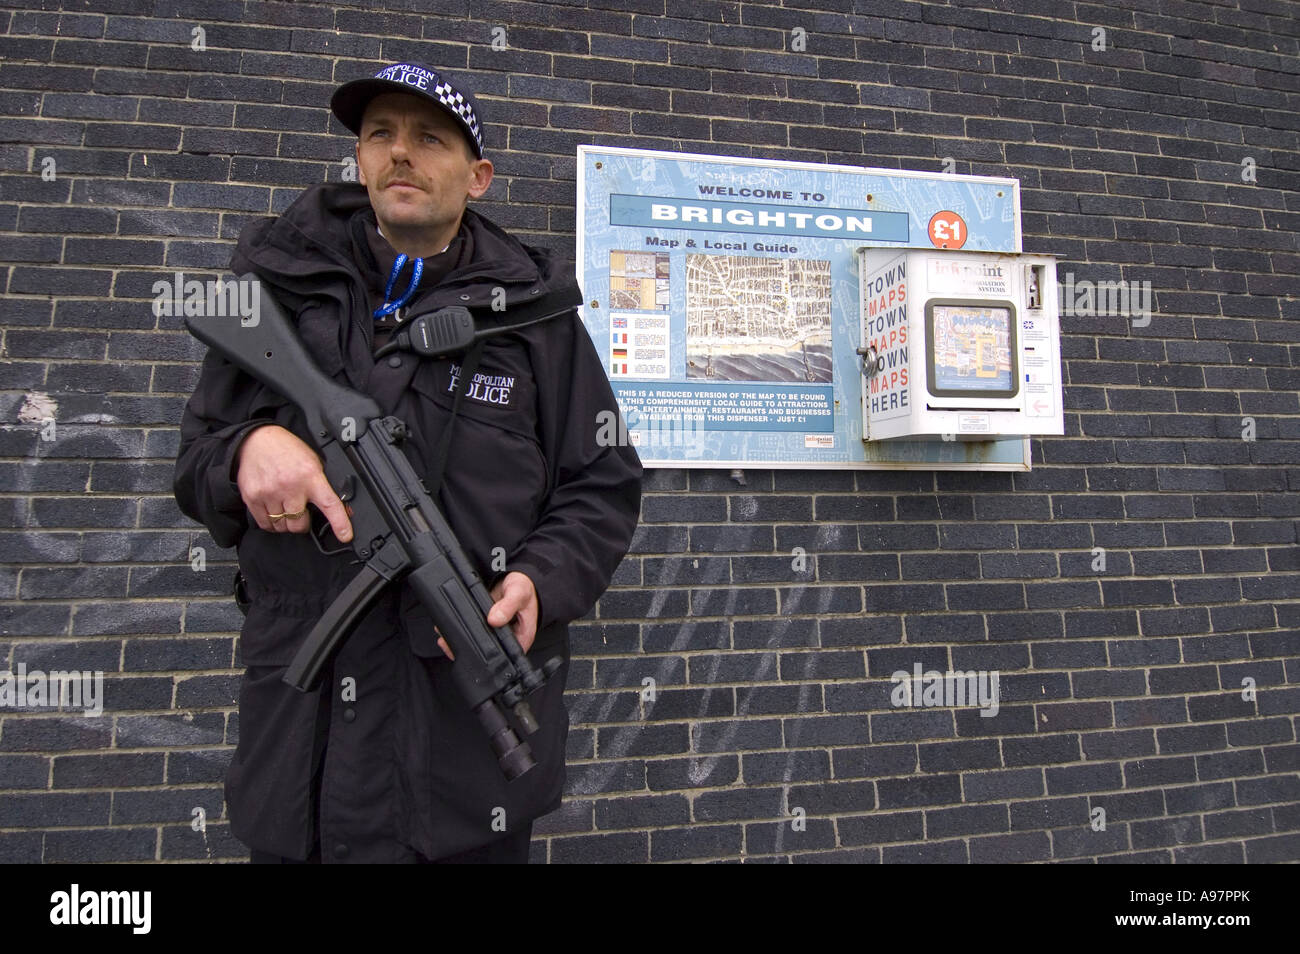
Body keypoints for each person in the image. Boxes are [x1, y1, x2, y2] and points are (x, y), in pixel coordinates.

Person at [173, 62, 642, 863]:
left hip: (462, 771)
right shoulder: (279, 290)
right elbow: (195, 463)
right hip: (304, 759)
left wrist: (539, 577)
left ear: (478, 176)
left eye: (430, 139)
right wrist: (249, 448)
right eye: (381, 135)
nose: (401, 154)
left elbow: (601, 485)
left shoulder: (538, 320)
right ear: (358, 158)